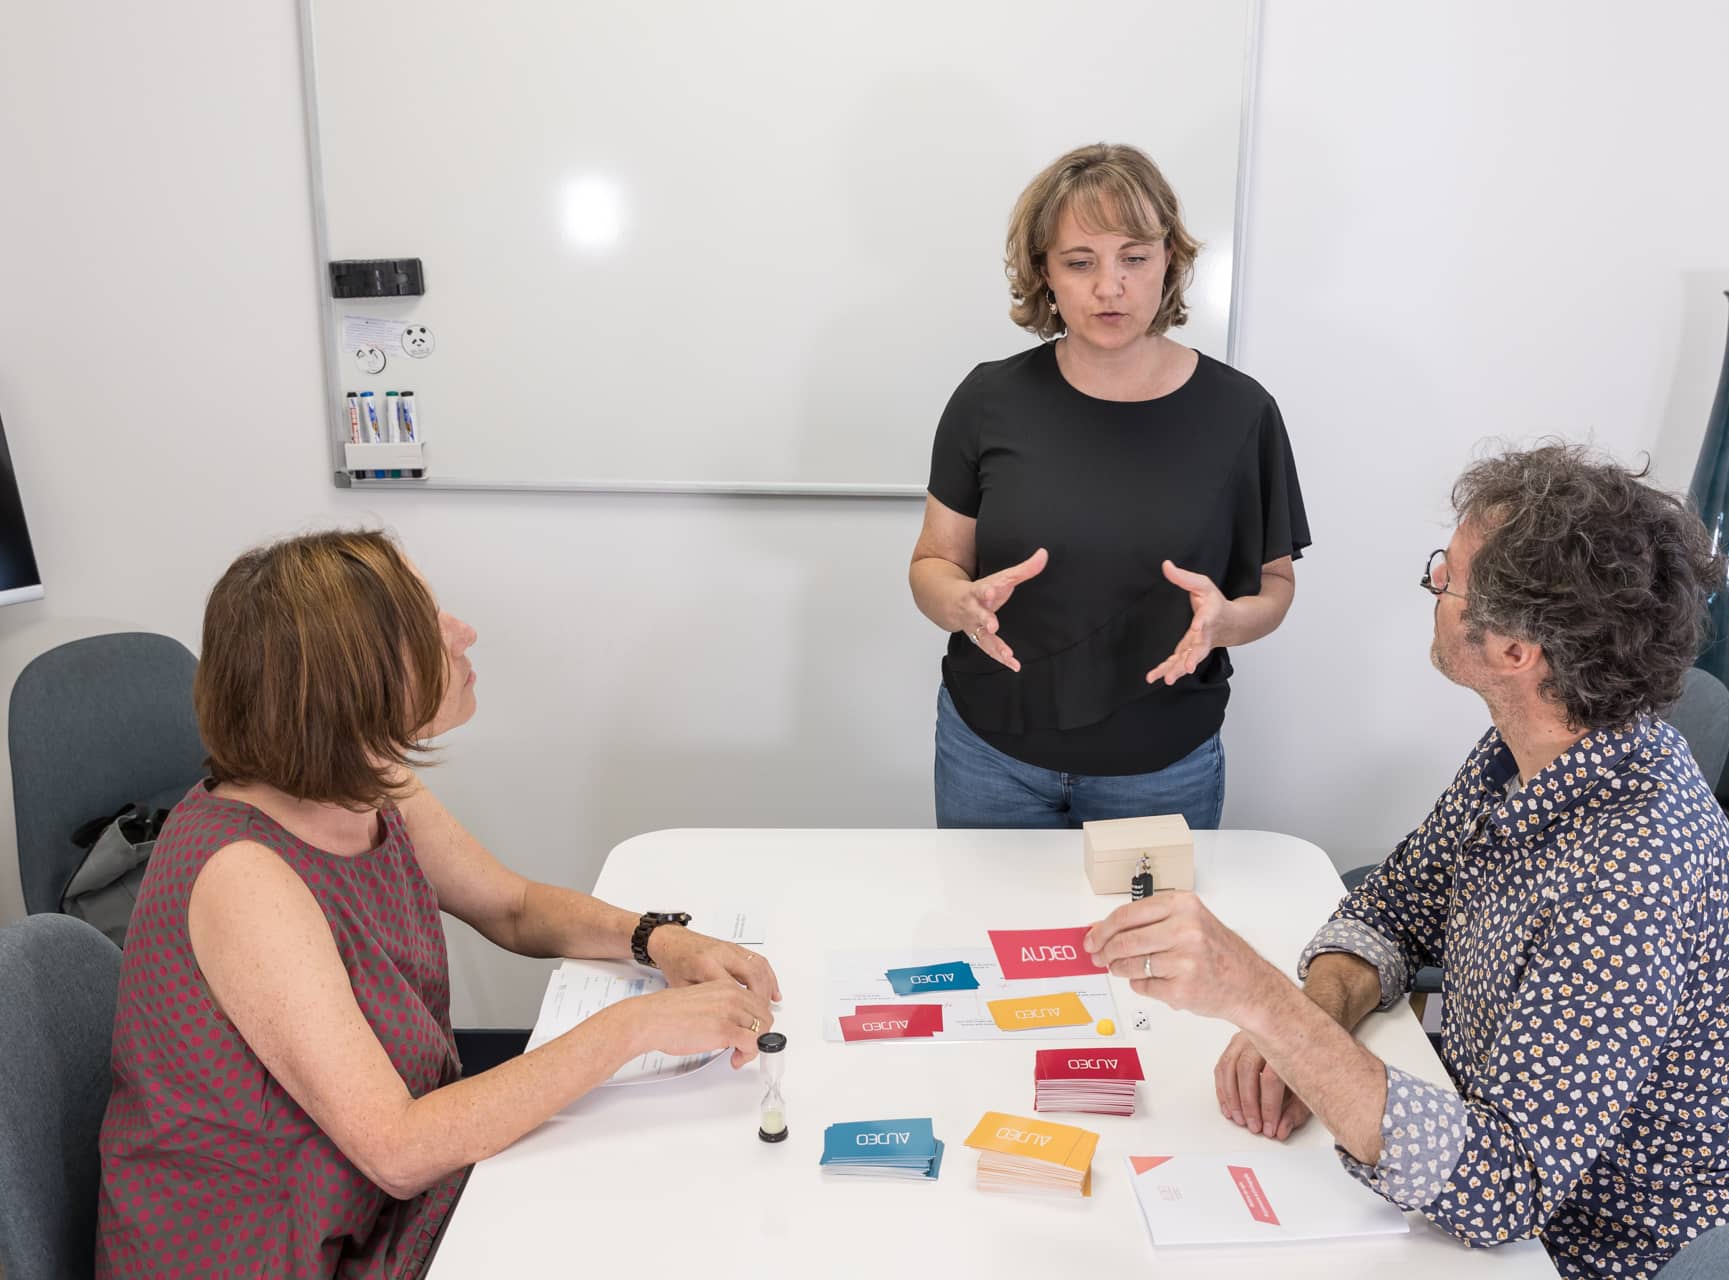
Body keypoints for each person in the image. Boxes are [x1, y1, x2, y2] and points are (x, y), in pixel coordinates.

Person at [1085, 444, 1729, 1280]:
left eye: (1447, 578)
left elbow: (1502, 1186)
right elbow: (1394, 905)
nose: (1432, 590)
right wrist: (1314, 1020)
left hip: (1611, 1256)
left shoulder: (1633, 872)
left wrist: (1264, 1003)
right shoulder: (1525, 753)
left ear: (1516, 652)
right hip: (1508, 1210)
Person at [96, 530, 780, 1278]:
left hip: (374, 1197)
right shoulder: (242, 878)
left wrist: (658, 940)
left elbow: (512, 906)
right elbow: (397, 1149)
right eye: (424, 627)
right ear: (346, 689)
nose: (462, 633)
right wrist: (634, 1027)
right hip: (274, 1251)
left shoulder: (364, 777)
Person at [908, 142, 1311, 830]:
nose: (1109, 287)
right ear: (1046, 274)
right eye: (1079, 262)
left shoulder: (1242, 414)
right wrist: (958, 603)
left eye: (1134, 257)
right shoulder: (987, 400)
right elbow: (933, 563)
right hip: (990, 756)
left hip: (1161, 765)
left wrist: (1228, 622)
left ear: (1169, 263)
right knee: (982, 936)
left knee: (1149, 943)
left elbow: (1274, 586)